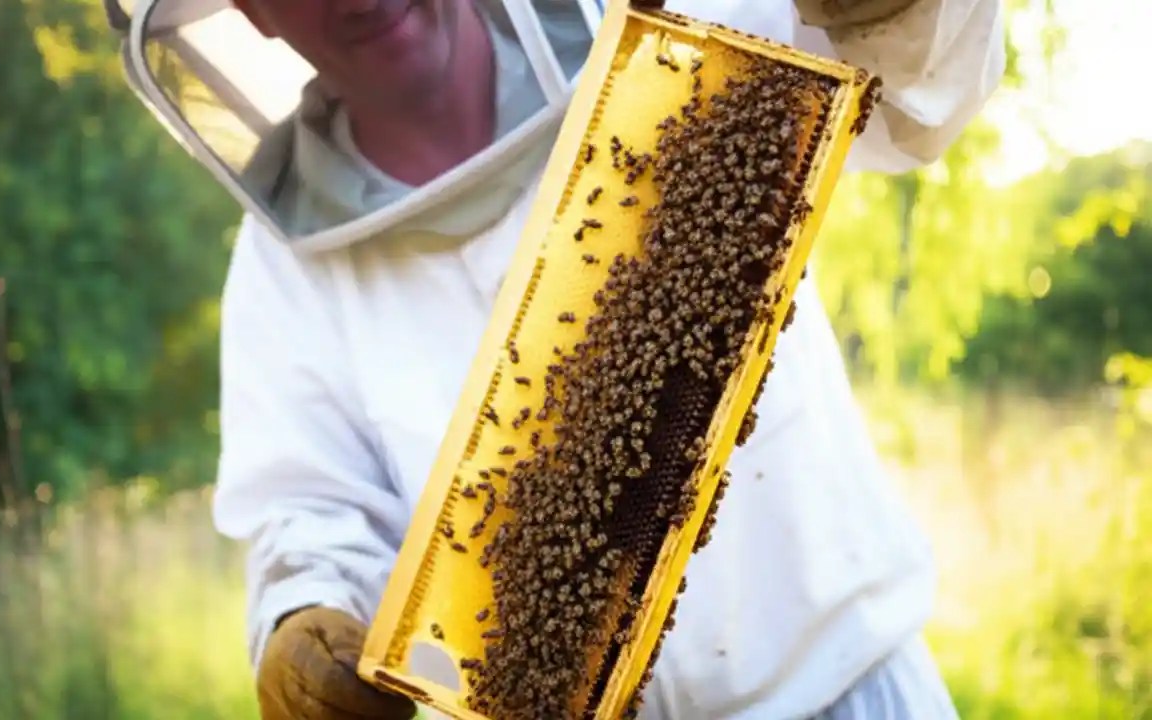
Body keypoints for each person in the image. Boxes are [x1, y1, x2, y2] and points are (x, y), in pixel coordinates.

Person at [110, 0, 1005, 717]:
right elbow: (309, 513)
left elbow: (921, 88)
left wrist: (884, 8)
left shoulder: (663, 26)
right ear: (247, 14)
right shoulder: (280, 266)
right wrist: (302, 619)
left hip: (851, 687)